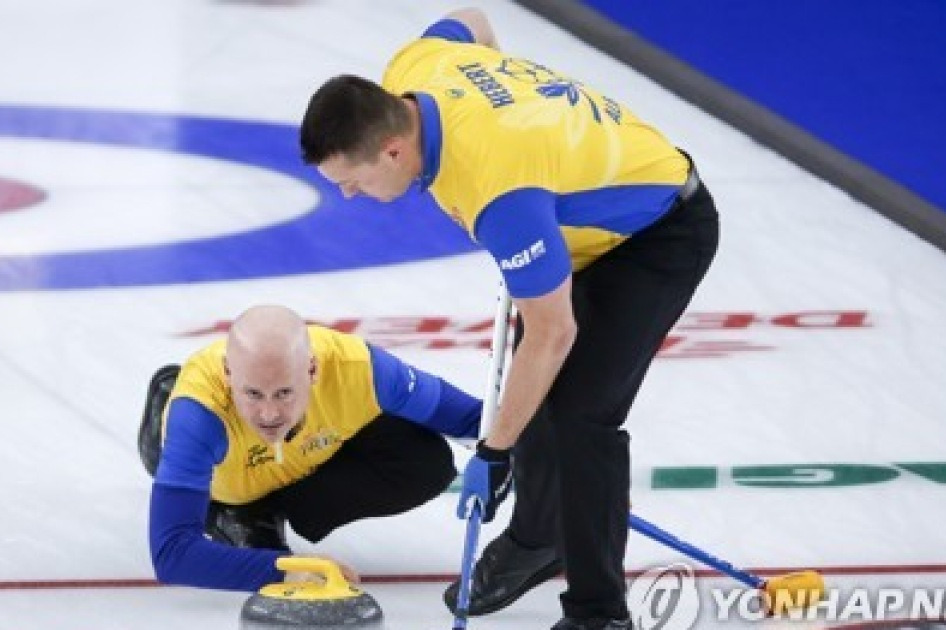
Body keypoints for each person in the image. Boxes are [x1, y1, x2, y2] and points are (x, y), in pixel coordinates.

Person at [298, 8, 720, 629]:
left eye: (352, 180)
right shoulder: (414, 69)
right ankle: (536, 539)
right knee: (536, 395)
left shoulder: (499, 192)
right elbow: (472, 18)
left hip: (656, 236)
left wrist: (495, 453)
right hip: (567, 228)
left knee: (579, 418)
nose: (348, 196)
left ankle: (598, 612)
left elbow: (553, 335)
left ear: (392, 150)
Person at [139, 304, 482, 591]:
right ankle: (234, 503)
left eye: (285, 392)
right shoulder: (198, 416)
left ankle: (272, 505)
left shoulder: (358, 368)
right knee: (261, 552)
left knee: (426, 462)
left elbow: (474, 421)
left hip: (302, 454)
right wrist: (282, 570)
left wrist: (512, 466)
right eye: (253, 394)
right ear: (228, 375)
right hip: (221, 473)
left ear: (313, 369)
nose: (270, 413)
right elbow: (171, 553)